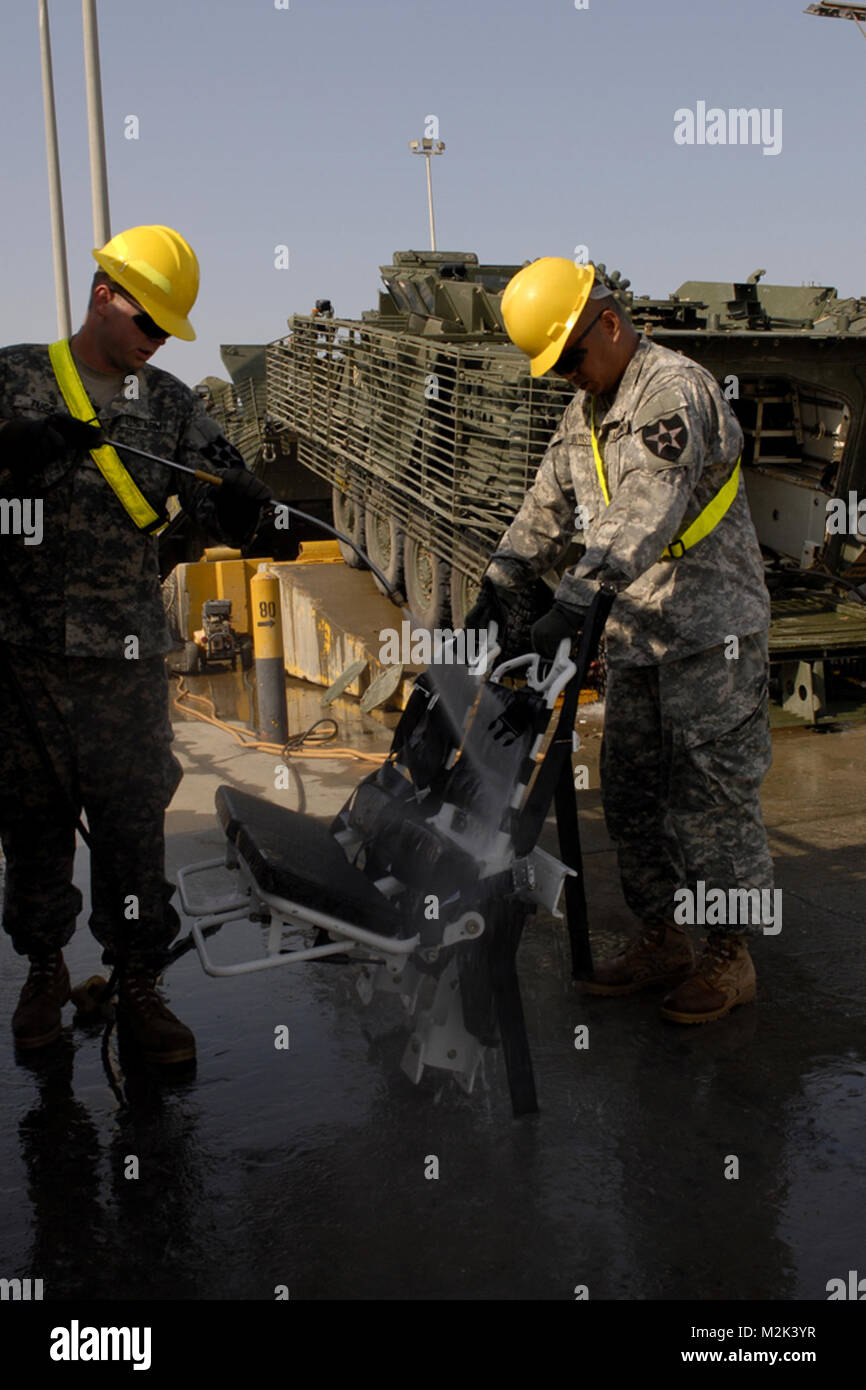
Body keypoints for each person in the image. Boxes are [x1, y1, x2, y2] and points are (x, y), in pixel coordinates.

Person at [465, 258, 774, 1024]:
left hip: (711, 636)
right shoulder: (587, 412)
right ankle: (663, 938)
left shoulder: (673, 391)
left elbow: (646, 507)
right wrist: (503, 575)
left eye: (572, 357)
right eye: (557, 367)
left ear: (609, 322)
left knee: (712, 803)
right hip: (639, 636)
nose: (570, 375)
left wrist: (574, 600)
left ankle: (730, 958)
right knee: (632, 796)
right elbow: (548, 499)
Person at [0, 224, 271, 1062]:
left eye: (165, 333)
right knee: (33, 823)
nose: (154, 344)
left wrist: (244, 503)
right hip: (22, 657)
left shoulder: (169, 403)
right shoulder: (12, 378)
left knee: (130, 826)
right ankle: (44, 969)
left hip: (123, 657)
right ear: (103, 294)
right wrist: (19, 456)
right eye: (146, 324)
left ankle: (140, 983)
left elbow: (219, 479)